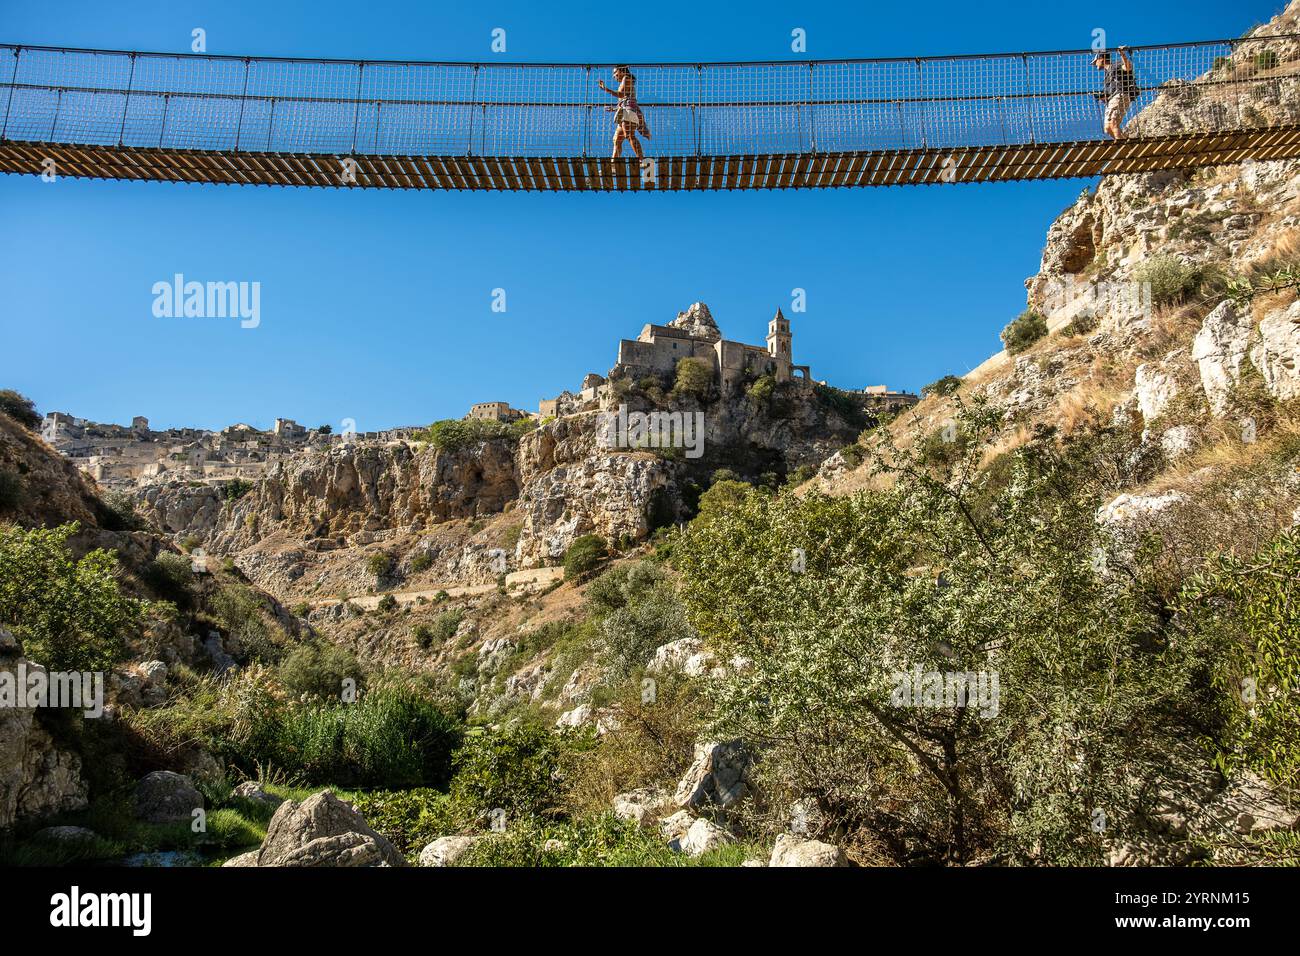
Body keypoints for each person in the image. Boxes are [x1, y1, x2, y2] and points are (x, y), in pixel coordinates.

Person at [597, 65, 650, 159]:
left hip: (629, 111)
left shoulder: (627, 78)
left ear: (622, 71)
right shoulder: (624, 80)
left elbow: (622, 94)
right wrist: (614, 109)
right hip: (625, 111)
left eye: (615, 73)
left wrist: (605, 89)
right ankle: (613, 166)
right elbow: (624, 99)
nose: (614, 76)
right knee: (616, 140)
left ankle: (642, 160)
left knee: (629, 135)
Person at [1092, 47, 1138, 141]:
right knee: (1107, 129)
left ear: (1101, 58)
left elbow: (1128, 67)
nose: (1094, 64)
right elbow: (1110, 90)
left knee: (1113, 123)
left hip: (1121, 95)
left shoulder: (1116, 65)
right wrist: (1103, 97)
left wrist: (1122, 53)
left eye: (1095, 61)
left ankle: (1123, 147)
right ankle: (1126, 142)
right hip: (1113, 99)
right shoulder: (1107, 75)